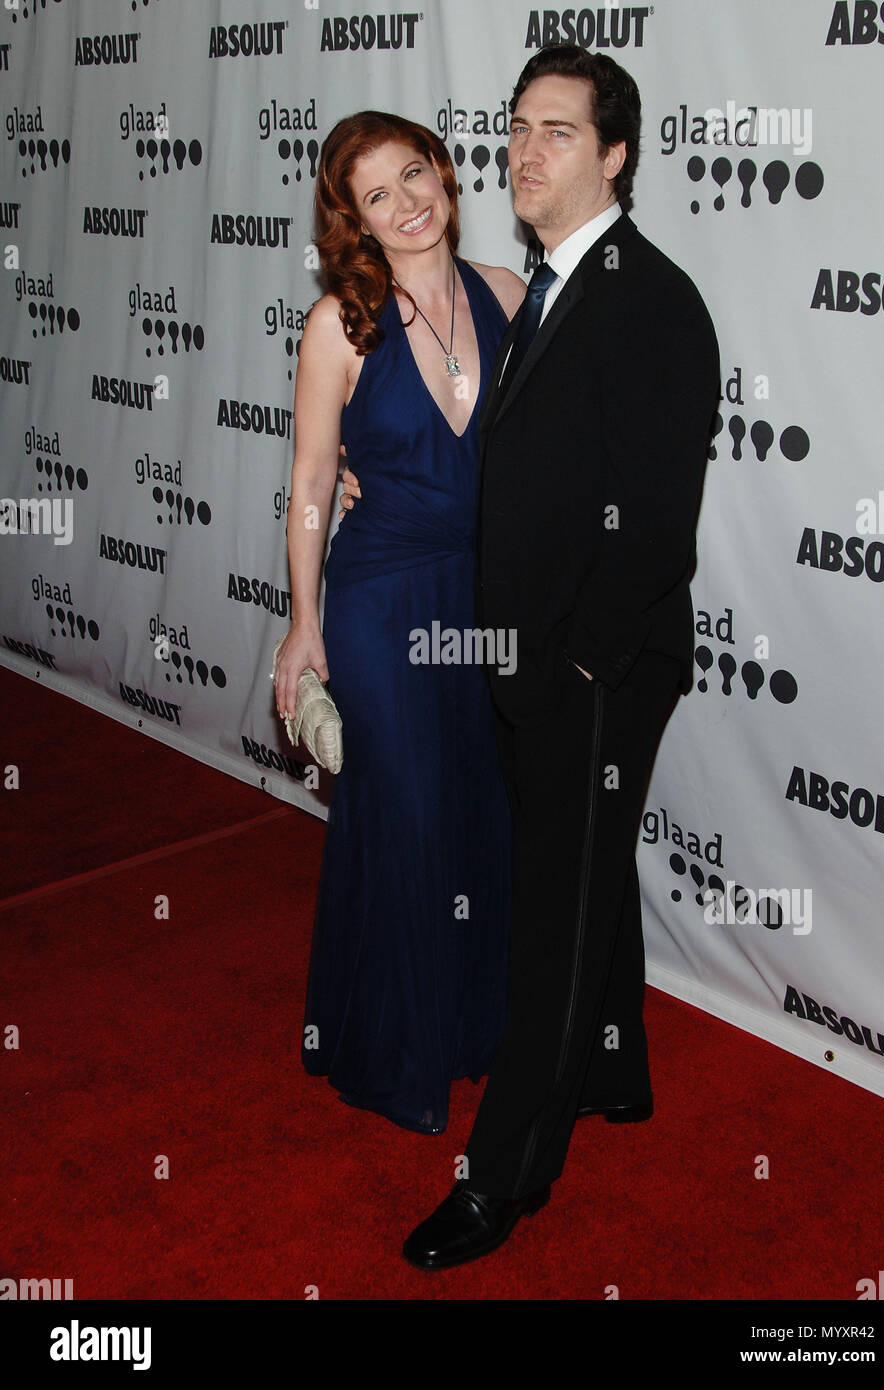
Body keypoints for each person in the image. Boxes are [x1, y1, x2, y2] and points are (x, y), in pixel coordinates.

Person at [391, 45, 720, 1263]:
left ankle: (504, 1174)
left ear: (616, 154)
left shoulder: (649, 300)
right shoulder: (557, 283)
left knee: (551, 912)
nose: (524, 152)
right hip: (541, 653)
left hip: (598, 664)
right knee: (586, 872)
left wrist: (574, 668)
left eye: (558, 133)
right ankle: (617, 1069)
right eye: (517, 128)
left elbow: (654, 524)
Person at [275, 111, 527, 1135]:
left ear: (445, 176)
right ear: (355, 222)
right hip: (383, 595)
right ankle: (396, 1044)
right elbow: (305, 482)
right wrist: (302, 626)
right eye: (376, 193)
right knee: (409, 809)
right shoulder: (340, 324)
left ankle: (478, 1029)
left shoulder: (510, 297)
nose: (406, 201)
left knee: (482, 805)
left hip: (489, 595)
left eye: (413, 173)